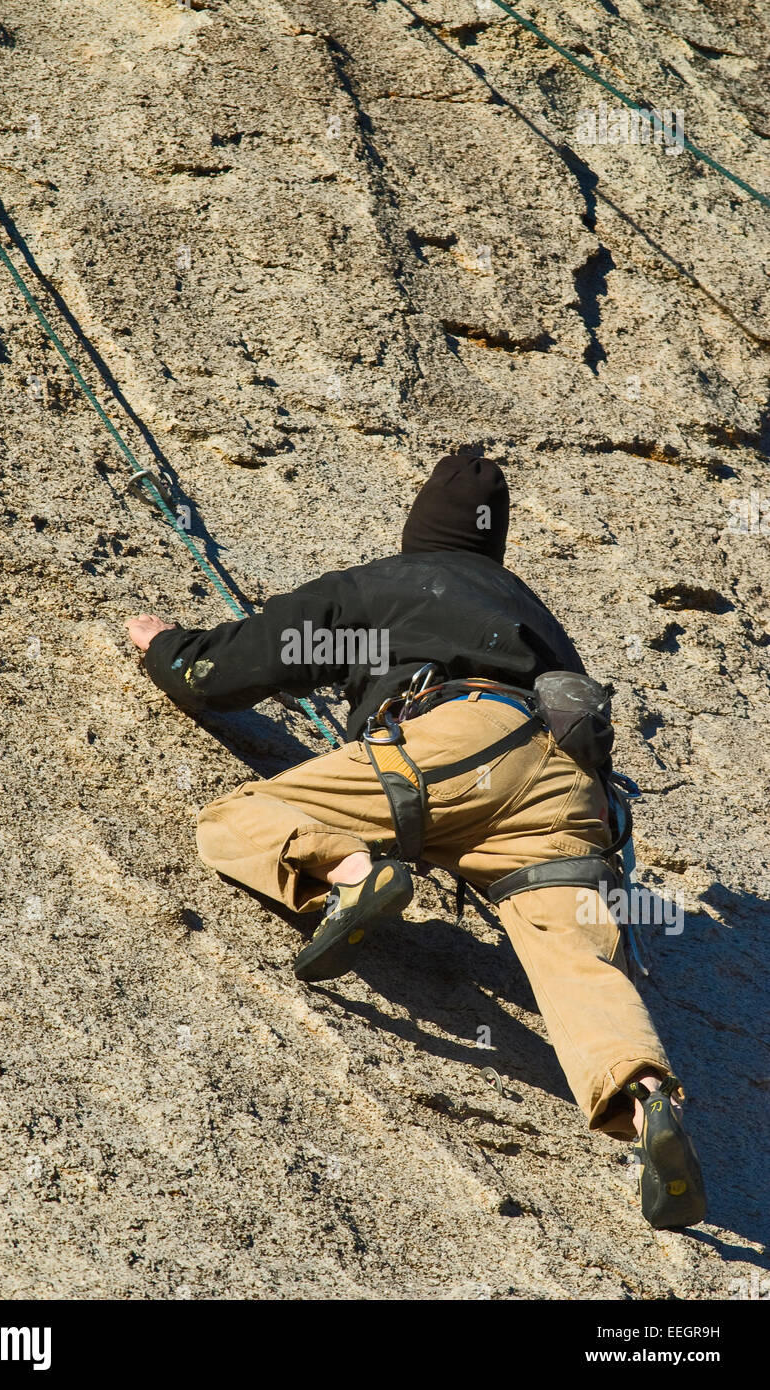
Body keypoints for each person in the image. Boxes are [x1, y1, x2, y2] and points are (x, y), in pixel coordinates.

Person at [125, 446, 706, 1229]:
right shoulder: (538, 622)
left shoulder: (386, 586)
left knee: (233, 819)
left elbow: (234, 669)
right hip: (565, 793)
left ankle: (356, 872)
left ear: (417, 532)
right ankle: (646, 1104)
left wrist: (167, 647)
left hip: (451, 745)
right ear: (491, 543)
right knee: (576, 965)